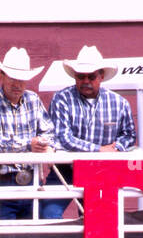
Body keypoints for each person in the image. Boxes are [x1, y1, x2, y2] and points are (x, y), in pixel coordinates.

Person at [48, 46, 137, 215]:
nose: (86, 80)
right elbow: (64, 138)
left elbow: (129, 135)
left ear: (101, 76)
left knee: (99, 219)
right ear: (75, 76)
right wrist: (100, 150)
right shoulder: (61, 99)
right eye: (81, 76)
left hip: (100, 170)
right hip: (66, 168)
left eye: (91, 76)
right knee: (48, 215)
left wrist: (116, 148)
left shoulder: (119, 103)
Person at [0, 47, 56, 219]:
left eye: (22, 79)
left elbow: (49, 131)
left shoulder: (33, 100)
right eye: (13, 78)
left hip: (32, 181)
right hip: (3, 182)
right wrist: (30, 145)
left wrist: (42, 143)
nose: (18, 84)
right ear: (1, 76)